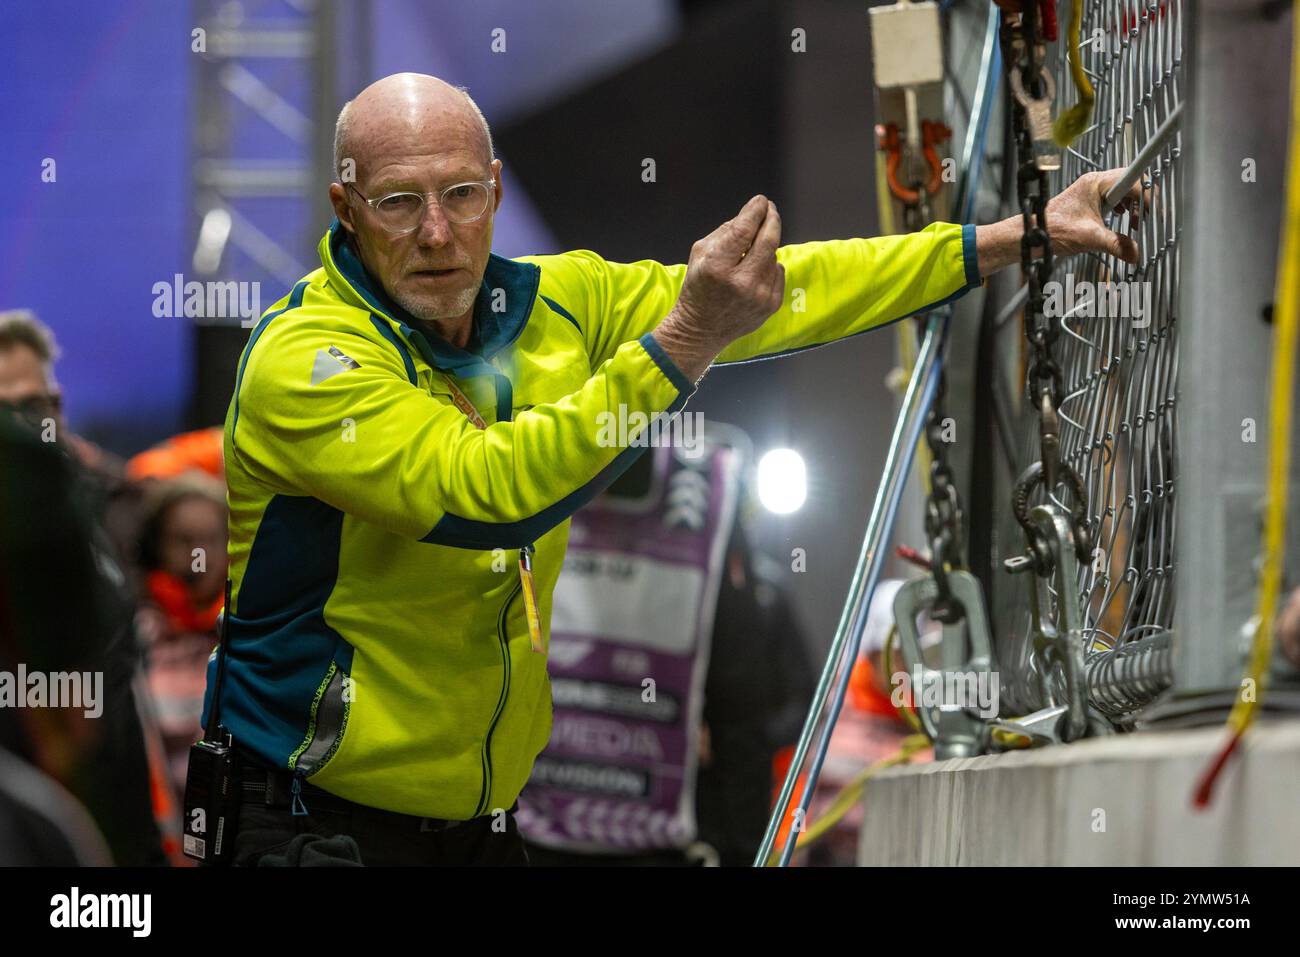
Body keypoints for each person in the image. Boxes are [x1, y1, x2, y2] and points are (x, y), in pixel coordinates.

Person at [209, 71, 1147, 866]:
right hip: (306, 823)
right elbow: (485, 493)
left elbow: (789, 292)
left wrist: (1020, 235)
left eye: (460, 194)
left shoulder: (558, 300)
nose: (440, 234)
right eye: (399, 202)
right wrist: (683, 341)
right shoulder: (307, 358)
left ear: (495, 189)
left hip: (477, 824)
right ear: (345, 208)